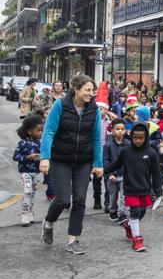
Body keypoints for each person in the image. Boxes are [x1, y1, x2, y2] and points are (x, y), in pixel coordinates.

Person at [39, 74, 104, 255]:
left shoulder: (94, 110)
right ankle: (49, 223)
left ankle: (73, 240)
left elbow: (96, 139)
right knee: (63, 199)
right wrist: (45, 157)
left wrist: (98, 163)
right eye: (87, 90)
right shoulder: (60, 105)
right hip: (61, 159)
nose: (91, 93)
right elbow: (48, 132)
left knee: (80, 199)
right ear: (76, 89)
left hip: (83, 161)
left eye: (93, 90)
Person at [102, 123, 163, 252]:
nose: (138, 141)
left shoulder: (151, 153)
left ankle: (129, 226)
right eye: (135, 137)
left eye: (141, 138)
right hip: (130, 189)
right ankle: (137, 239)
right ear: (131, 136)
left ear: (146, 137)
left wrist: (158, 190)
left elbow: (156, 173)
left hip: (145, 188)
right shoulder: (126, 152)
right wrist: (102, 170)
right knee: (134, 212)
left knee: (142, 212)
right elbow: (115, 165)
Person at [13, 114, 43, 226]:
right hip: (25, 172)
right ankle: (25, 214)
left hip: (36, 172)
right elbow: (15, 156)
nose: (41, 132)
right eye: (38, 130)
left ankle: (30, 212)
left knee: (33, 193)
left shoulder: (41, 143)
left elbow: (45, 156)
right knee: (27, 191)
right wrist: (27, 157)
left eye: (42, 130)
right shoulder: (22, 143)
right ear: (30, 131)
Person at [103, 118, 130, 224]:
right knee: (113, 195)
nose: (120, 131)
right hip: (112, 175)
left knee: (124, 195)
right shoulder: (108, 145)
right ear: (112, 130)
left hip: (124, 174)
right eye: (117, 129)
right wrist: (110, 174)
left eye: (122, 129)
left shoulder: (128, 144)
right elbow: (105, 161)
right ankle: (113, 210)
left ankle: (122, 213)